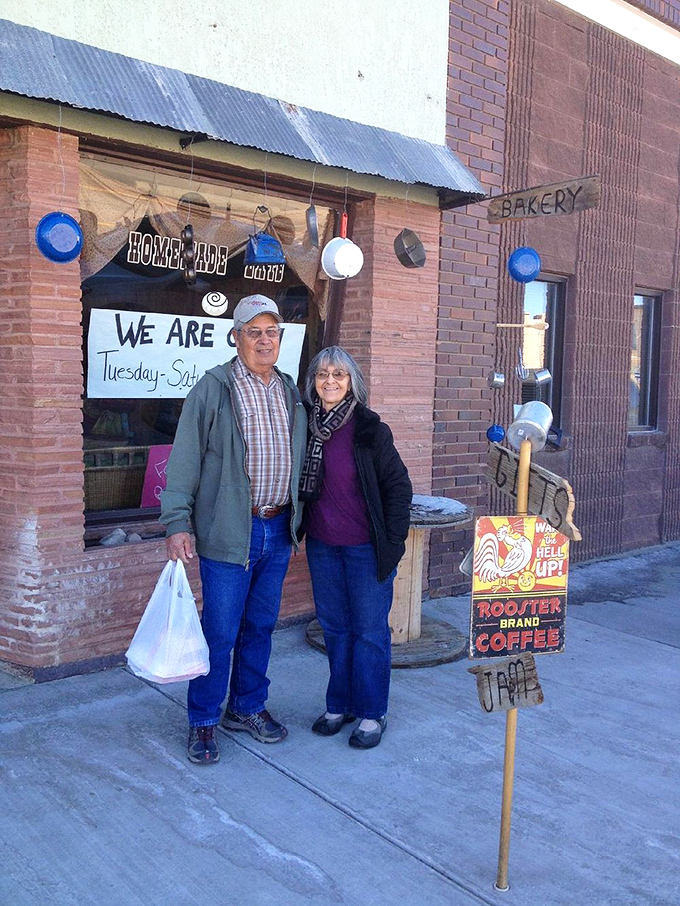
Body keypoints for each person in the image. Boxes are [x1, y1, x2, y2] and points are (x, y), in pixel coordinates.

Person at [160, 294, 307, 765]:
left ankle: (246, 707)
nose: (264, 340)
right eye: (254, 331)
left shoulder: (288, 389)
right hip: (229, 530)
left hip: (278, 526)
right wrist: (177, 522)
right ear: (236, 336)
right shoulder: (213, 388)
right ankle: (203, 719)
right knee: (220, 631)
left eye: (272, 332)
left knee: (260, 627)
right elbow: (183, 461)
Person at [299, 347, 412, 749]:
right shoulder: (306, 427)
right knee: (335, 629)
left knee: (368, 632)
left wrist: (394, 543)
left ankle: (371, 712)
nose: (330, 381)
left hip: (365, 549)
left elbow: (399, 488)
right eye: (322, 374)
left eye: (339, 375)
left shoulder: (370, 430)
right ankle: (340, 704)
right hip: (323, 547)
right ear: (313, 381)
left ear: (352, 383)